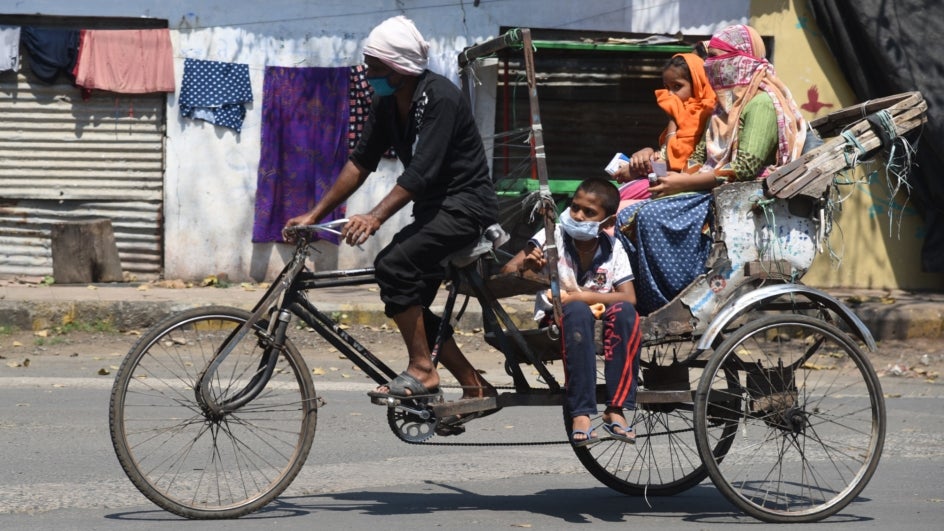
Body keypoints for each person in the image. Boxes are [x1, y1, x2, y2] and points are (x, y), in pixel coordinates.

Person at [283, 16, 497, 411]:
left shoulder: (441, 99)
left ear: (400, 69)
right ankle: (475, 385)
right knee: (406, 299)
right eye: (368, 64)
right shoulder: (387, 102)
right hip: (435, 212)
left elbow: (423, 170)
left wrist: (376, 216)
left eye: (376, 66)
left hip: (466, 208)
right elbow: (361, 161)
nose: (369, 73)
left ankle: (422, 370)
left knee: (394, 266)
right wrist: (314, 213)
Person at [616, 24, 807, 314]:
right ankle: (646, 299)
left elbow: (744, 168)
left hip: (735, 199)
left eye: (717, 57)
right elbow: (700, 157)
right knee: (628, 214)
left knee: (648, 217)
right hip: (711, 191)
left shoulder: (760, 104)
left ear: (742, 58)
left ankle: (670, 297)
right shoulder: (722, 108)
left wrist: (682, 184)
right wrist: (675, 176)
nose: (710, 65)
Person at [501, 177, 642, 447]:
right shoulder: (551, 236)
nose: (578, 215)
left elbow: (629, 296)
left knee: (625, 312)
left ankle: (617, 408)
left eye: (589, 212)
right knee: (576, 310)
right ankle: (581, 413)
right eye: (576, 207)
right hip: (559, 315)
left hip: (598, 314)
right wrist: (528, 266)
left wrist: (583, 295)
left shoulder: (614, 248)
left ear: (607, 222)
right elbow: (508, 271)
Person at [613, 53, 717, 201]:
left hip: (681, 188)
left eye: (677, 86)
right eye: (667, 87)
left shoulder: (701, 115)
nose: (669, 94)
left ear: (697, 84)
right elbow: (666, 154)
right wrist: (648, 152)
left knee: (617, 200)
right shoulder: (679, 115)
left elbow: (677, 165)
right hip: (663, 181)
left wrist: (640, 169)